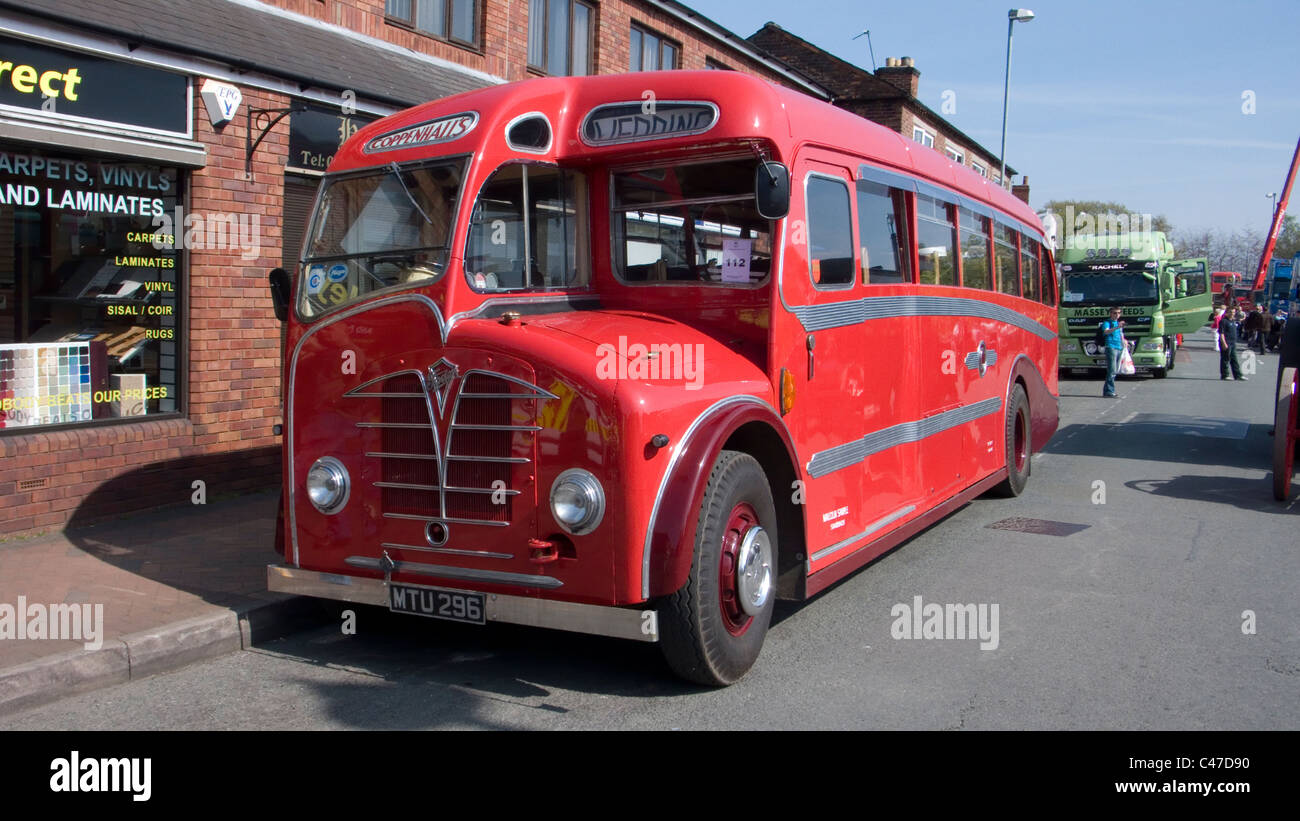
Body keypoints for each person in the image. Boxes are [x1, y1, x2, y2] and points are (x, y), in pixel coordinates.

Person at [1099, 307, 1125, 397]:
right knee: (1112, 370)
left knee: (1115, 370)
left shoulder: (1118, 323)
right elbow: (1106, 332)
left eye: (1118, 313)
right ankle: (1109, 391)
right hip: (1111, 347)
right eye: (1114, 313)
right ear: (1110, 313)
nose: (1116, 315)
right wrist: (1117, 327)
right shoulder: (1107, 323)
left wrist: (1124, 343)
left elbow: (1121, 335)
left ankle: (1108, 391)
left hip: (1119, 347)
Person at [1218, 306, 1245, 381]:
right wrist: (1224, 343)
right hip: (1226, 342)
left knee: (1234, 359)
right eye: (1230, 312)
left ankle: (1238, 375)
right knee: (1225, 359)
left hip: (1233, 343)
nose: (1232, 314)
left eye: (1233, 312)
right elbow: (1221, 333)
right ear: (1226, 313)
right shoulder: (1223, 321)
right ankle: (1225, 375)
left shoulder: (1233, 321)